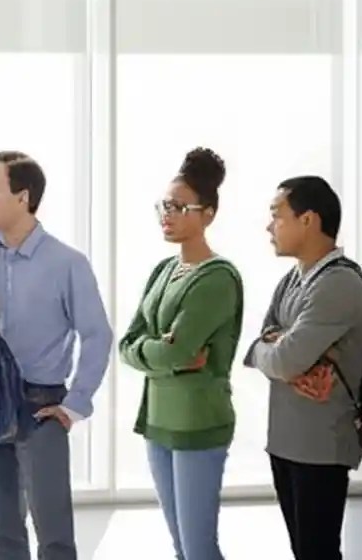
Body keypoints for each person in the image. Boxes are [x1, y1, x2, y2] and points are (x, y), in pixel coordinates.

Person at [0, 150, 112, 560]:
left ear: (23, 197)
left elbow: (97, 335)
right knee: (1, 531)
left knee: (54, 534)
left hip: (41, 406)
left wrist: (75, 404)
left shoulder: (67, 263)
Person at [118, 148, 244, 560]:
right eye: (164, 206)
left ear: (207, 214)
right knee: (181, 549)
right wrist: (160, 353)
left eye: (178, 207)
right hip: (158, 423)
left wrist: (161, 353)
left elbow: (179, 349)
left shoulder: (217, 278)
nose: (166, 215)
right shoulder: (163, 270)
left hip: (197, 424)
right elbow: (127, 343)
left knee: (198, 549)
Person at [245, 176, 362, 560]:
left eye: (277, 215)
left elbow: (283, 358)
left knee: (318, 552)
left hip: (320, 446)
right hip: (286, 441)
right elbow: (261, 344)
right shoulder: (293, 279)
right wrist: (277, 351)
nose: (269, 226)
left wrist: (280, 354)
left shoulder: (338, 283)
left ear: (308, 220)